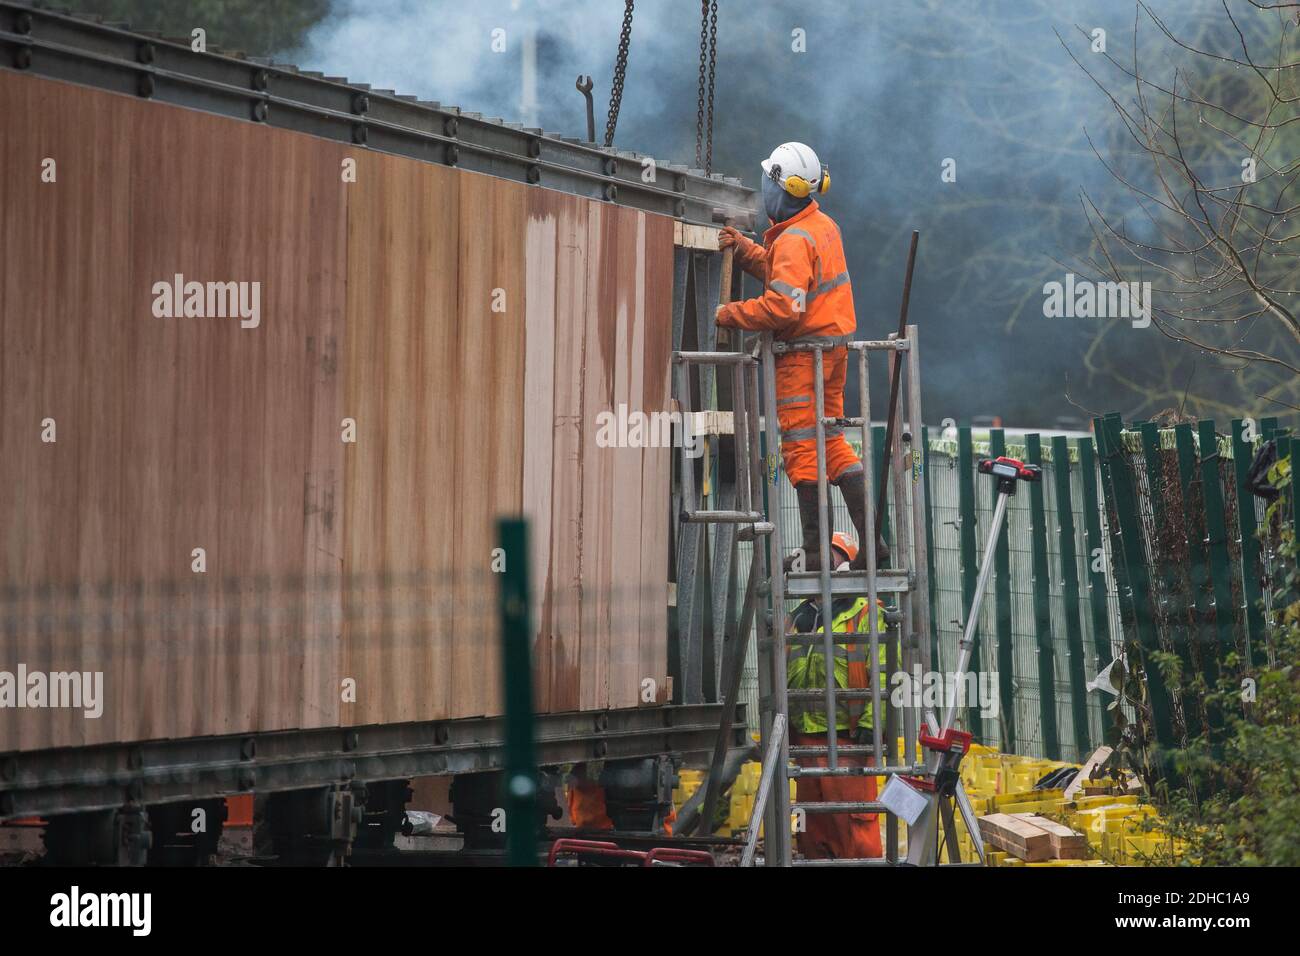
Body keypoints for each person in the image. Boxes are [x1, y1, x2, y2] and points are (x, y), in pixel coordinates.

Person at [715, 141, 885, 569]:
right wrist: (745, 249)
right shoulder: (821, 226)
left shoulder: (793, 239)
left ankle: (814, 556)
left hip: (803, 358)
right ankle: (874, 546)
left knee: (802, 448)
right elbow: (788, 274)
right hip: (833, 351)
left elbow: (782, 306)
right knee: (831, 441)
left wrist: (728, 314)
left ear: (779, 187)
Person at [785, 531, 888, 860]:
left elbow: (886, 674)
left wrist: (873, 723)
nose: (819, 565)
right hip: (804, 741)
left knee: (853, 829)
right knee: (808, 826)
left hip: (849, 740)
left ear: (846, 566)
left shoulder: (867, 612)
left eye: (829, 557)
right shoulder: (798, 619)